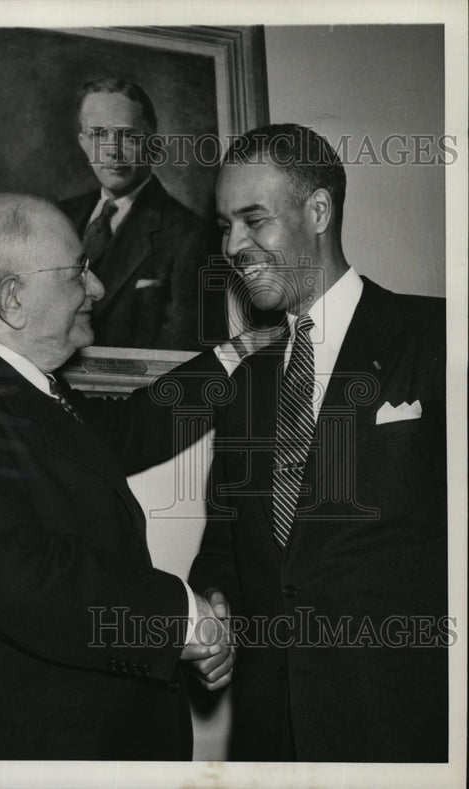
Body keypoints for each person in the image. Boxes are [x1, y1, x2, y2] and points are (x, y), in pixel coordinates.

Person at [0, 193, 242, 761]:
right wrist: (184, 618)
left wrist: (236, 356)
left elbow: (123, 432)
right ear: (14, 298)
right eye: (80, 269)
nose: (98, 287)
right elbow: (26, 582)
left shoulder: (12, 388)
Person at [189, 124, 447, 762]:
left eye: (254, 220)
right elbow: (227, 548)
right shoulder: (243, 384)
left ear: (319, 211)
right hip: (271, 733)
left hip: (407, 732)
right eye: (226, 226)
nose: (234, 246)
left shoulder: (440, 337)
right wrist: (214, 604)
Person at [59, 78, 226, 350]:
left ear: (154, 145)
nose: (112, 150)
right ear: (83, 143)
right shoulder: (61, 216)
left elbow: (185, 359)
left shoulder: (190, 237)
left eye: (128, 135)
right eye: (99, 134)